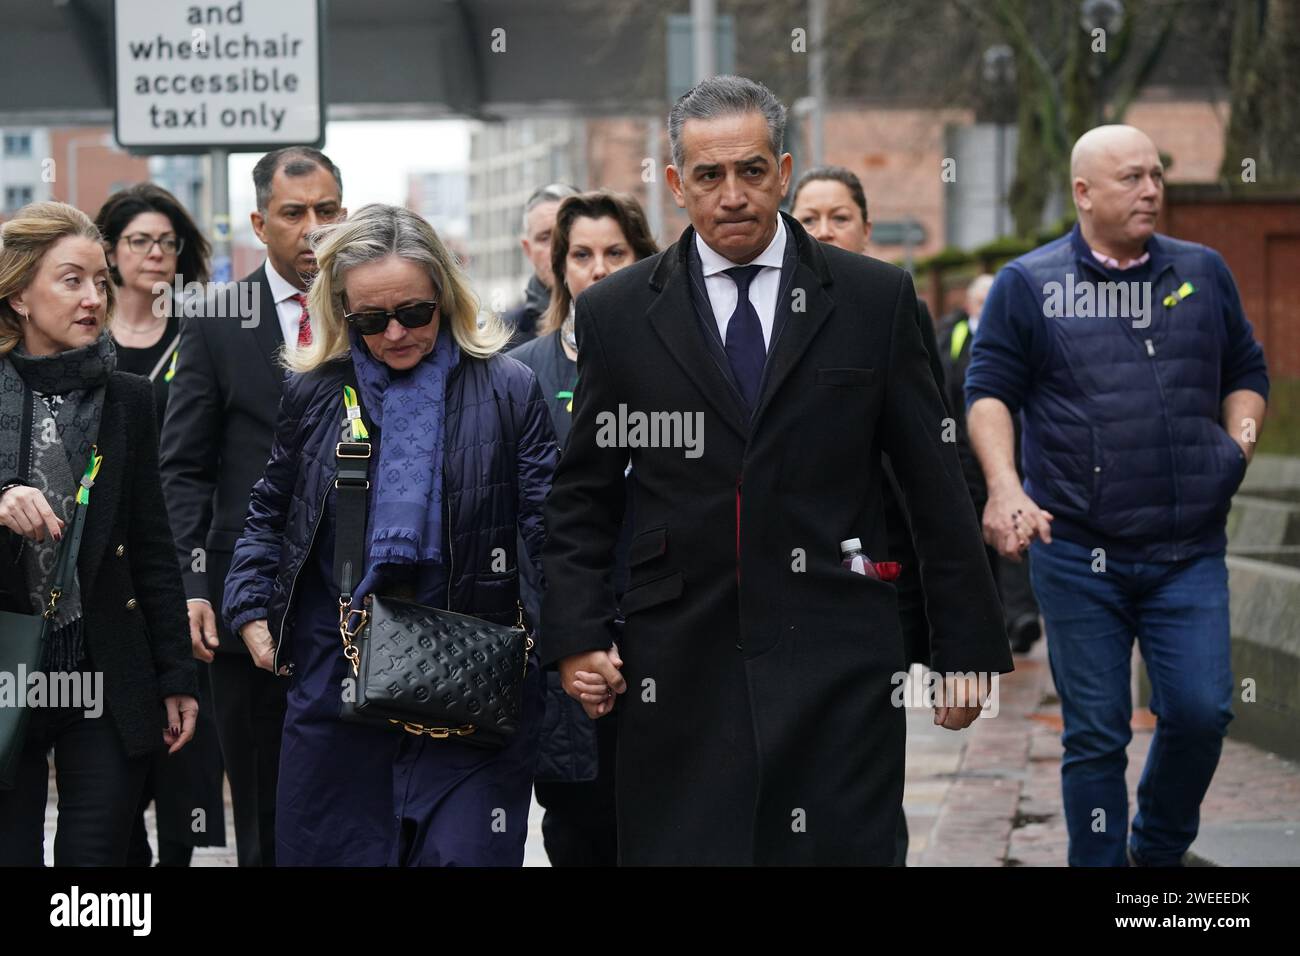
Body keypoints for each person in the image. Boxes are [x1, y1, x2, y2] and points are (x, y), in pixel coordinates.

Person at [541, 75, 1012, 866]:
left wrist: (964, 645)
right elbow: (583, 495)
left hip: (839, 654)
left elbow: (934, 486)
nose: (733, 195)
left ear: (785, 172)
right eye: (709, 176)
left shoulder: (874, 301)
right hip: (677, 664)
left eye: (752, 171)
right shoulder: (618, 315)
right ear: (673, 186)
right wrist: (578, 635)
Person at [965, 124, 1269, 866]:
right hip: (1077, 552)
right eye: (1131, 178)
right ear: (1083, 193)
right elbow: (988, 392)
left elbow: (1247, 370)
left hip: (1187, 549)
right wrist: (1005, 486)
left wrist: (1237, 447)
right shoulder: (1030, 284)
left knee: (1201, 712)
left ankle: (1155, 856)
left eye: (1156, 175)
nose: (1151, 190)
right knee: (1096, 733)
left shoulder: (1204, 270)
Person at [222, 204, 556, 866]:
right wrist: (250, 606)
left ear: (446, 297)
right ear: (343, 313)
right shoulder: (315, 391)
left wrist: (559, 643)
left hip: (469, 687)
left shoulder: (509, 390)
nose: (396, 332)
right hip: (336, 682)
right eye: (371, 320)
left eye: (415, 312)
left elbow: (549, 530)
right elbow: (271, 507)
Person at [159, 146, 346, 866]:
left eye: (327, 211)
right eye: (294, 213)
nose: (312, 229)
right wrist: (195, 584)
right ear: (258, 222)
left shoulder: (375, 311)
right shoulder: (213, 323)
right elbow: (183, 468)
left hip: (360, 598)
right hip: (252, 603)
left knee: (360, 797)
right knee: (264, 808)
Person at [0, 201, 197, 865]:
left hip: (103, 669)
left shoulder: (129, 397)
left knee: (99, 858)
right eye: (71, 281)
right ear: (20, 295)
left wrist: (176, 676)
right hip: (5, 668)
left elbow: (152, 546)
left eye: (99, 282)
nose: (92, 298)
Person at [791, 164, 954, 867]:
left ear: (865, 223)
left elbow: (932, 465)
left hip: (885, 569)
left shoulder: (894, 306)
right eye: (809, 219)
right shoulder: (779, 314)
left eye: (839, 216)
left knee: (867, 775)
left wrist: (954, 635)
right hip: (801, 570)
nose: (824, 230)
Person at [510, 190, 658, 866]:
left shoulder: (678, 363)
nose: (598, 270)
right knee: (579, 831)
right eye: (582, 255)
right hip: (563, 644)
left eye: (616, 253)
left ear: (642, 258)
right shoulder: (522, 374)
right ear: (557, 267)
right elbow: (522, 521)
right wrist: (567, 636)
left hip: (666, 631)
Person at [94, 183, 227, 867]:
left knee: (185, 745)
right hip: (103, 567)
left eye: (168, 242)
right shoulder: (87, 338)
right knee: (111, 763)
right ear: (111, 254)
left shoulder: (200, 335)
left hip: (177, 557)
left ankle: (181, 850)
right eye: (140, 241)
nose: (156, 254)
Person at [937, 273, 1041, 654]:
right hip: (963, 453)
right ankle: (996, 615)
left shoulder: (1020, 334)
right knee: (979, 534)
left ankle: (1021, 615)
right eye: (983, 302)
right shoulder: (953, 336)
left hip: (1013, 451)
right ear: (970, 306)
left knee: (1015, 530)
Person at [502, 182, 579, 348]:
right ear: (528, 249)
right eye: (545, 238)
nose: (557, 249)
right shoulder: (503, 338)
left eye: (567, 234)